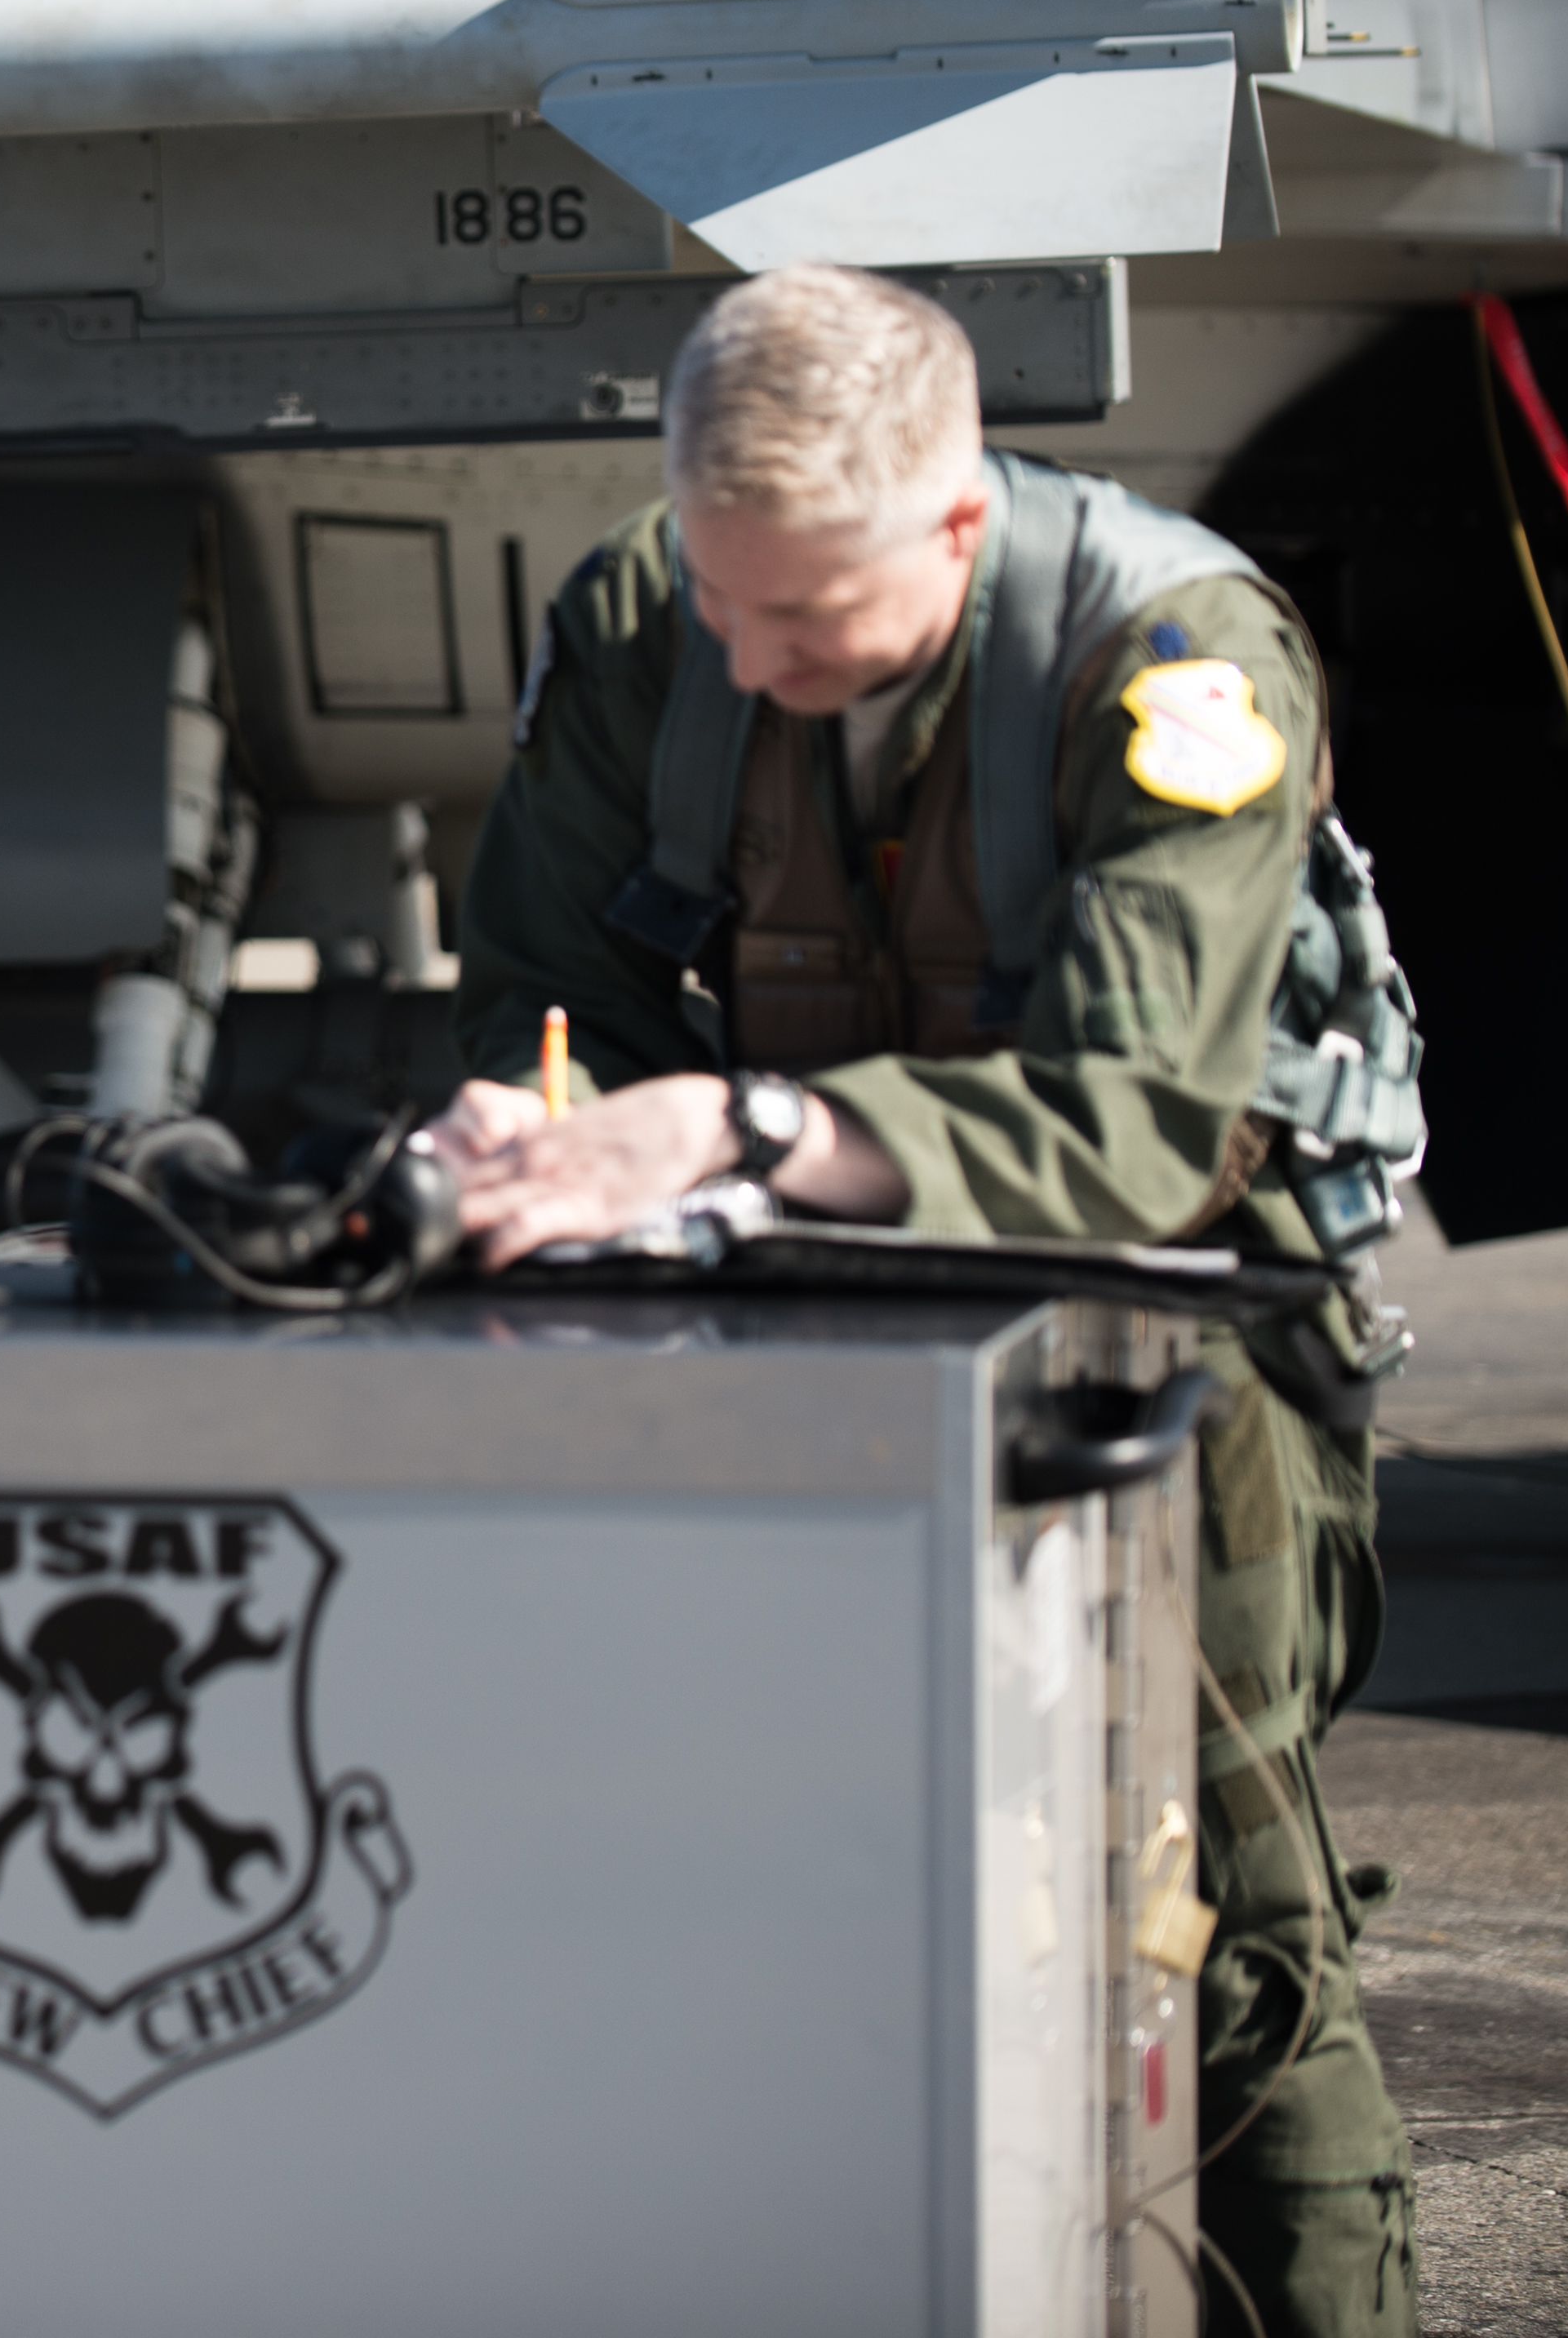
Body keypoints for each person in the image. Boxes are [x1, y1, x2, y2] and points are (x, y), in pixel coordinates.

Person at [438, 264, 1415, 2337]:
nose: (753, 658)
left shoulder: (1174, 662)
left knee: (1217, 1951)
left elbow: (1142, 1126)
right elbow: (550, 993)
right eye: (724, 599)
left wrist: (733, 1122)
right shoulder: (657, 617)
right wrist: (523, 1134)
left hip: (1174, 1353)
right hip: (793, 1329)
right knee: (769, 1918)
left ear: (958, 524)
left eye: (806, 616)